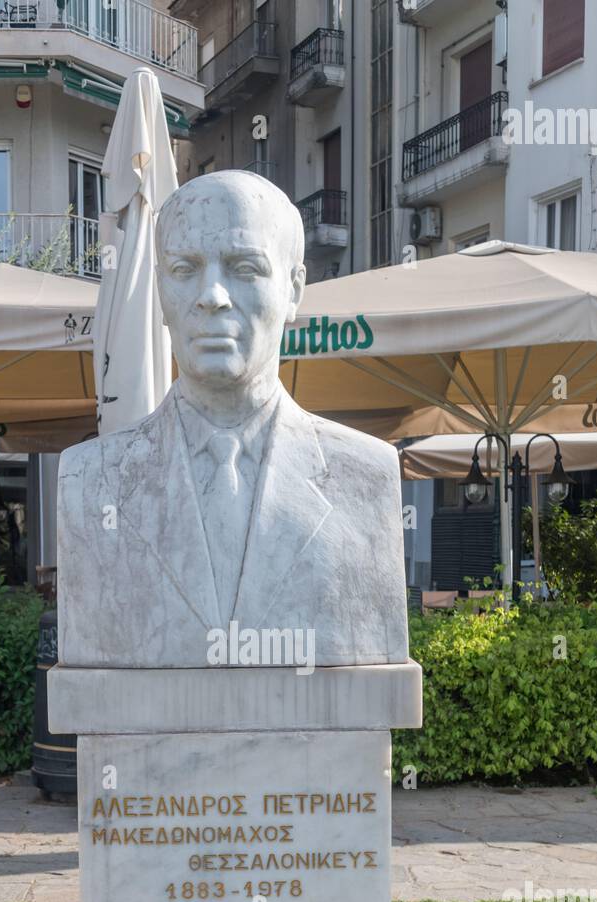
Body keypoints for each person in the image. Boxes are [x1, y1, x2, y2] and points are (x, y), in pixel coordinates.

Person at [57, 170, 408, 668]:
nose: (213, 296)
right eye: (185, 269)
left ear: (294, 291)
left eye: (244, 267)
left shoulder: (368, 479)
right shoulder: (89, 482)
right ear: (160, 292)